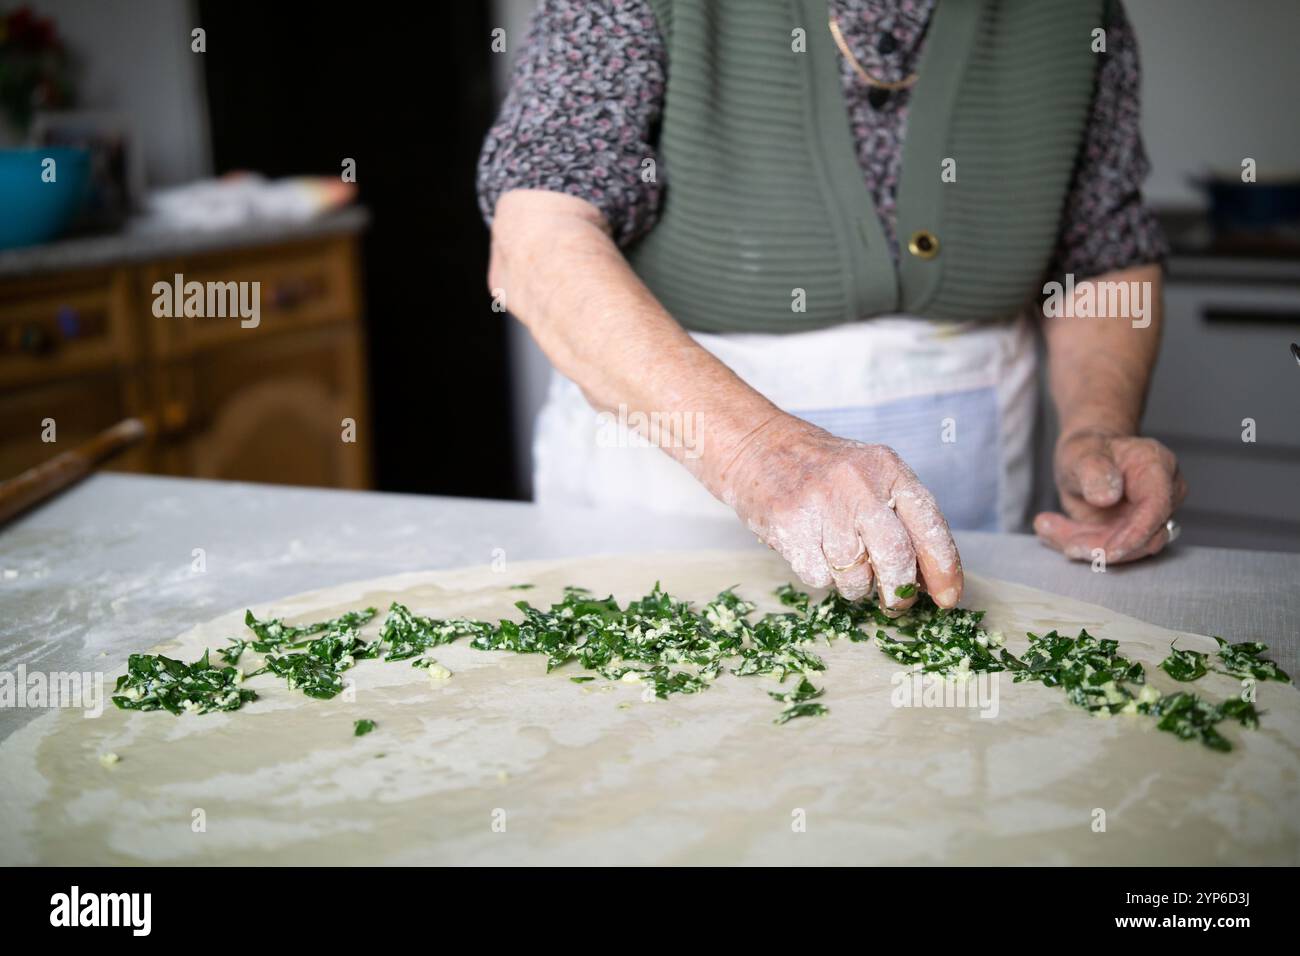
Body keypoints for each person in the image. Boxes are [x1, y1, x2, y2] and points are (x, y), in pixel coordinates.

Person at [477, 0, 1186, 612]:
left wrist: (1097, 427)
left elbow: (1102, 249)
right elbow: (537, 245)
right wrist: (762, 455)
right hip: (663, 474)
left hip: (969, 468)